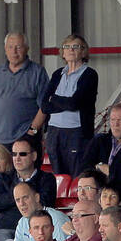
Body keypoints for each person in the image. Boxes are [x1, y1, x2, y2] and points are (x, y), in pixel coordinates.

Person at [31, 34, 98, 175]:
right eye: (67, 47)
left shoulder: (90, 74)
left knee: (77, 173)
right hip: (54, 131)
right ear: (62, 52)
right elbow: (45, 105)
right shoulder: (57, 74)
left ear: (83, 51)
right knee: (58, 175)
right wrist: (64, 102)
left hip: (76, 132)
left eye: (75, 47)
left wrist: (54, 99)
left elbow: (75, 103)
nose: (70, 50)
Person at [0, 31, 49, 147]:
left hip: (24, 139)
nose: (14, 51)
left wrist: (33, 130)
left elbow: (45, 105)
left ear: (27, 48)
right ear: (5, 49)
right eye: (10, 47)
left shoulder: (38, 72)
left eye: (18, 47)